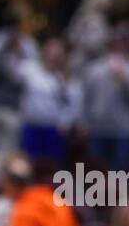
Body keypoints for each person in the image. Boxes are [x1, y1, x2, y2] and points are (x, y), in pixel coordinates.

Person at [0, 0, 39, 181]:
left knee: (1, 149)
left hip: (3, 107)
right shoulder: (0, 43)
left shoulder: (23, 43)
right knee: (3, 151)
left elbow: (31, 74)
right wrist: (6, 55)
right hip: (1, 108)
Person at [80, 26, 129, 171]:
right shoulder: (94, 69)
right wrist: (83, 122)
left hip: (124, 132)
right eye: (116, 43)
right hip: (98, 129)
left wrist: (126, 79)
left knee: (120, 175)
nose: (119, 47)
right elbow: (84, 97)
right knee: (95, 174)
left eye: (123, 43)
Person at [16, 36, 81, 164]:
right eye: (50, 52)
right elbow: (12, 66)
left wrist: (66, 122)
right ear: (44, 53)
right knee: (29, 163)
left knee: (52, 165)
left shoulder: (67, 79)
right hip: (31, 126)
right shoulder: (30, 69)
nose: (53, 57)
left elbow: (74, 104)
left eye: (57, 54)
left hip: (53, 129)